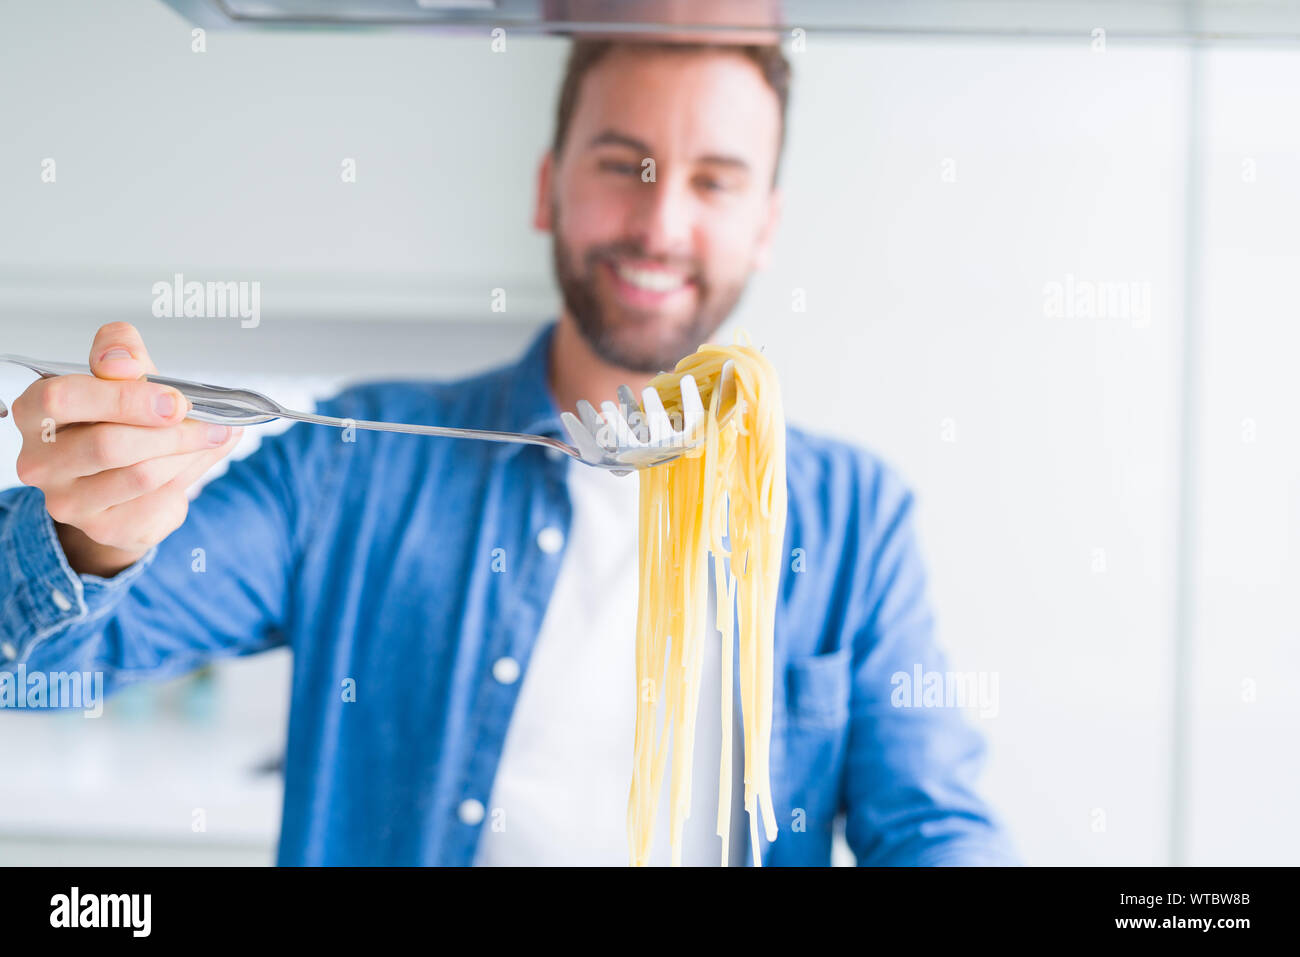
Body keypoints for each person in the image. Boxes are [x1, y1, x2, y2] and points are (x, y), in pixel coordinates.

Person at [0, 39, 1018, 866]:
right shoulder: (353, 466)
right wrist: (89, 535)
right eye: (624, 166)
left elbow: (931, 827)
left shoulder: (850, 519)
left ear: (764, 226)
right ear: (547, 189)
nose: (660, 222)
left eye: (714, 181)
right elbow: (46, 666)